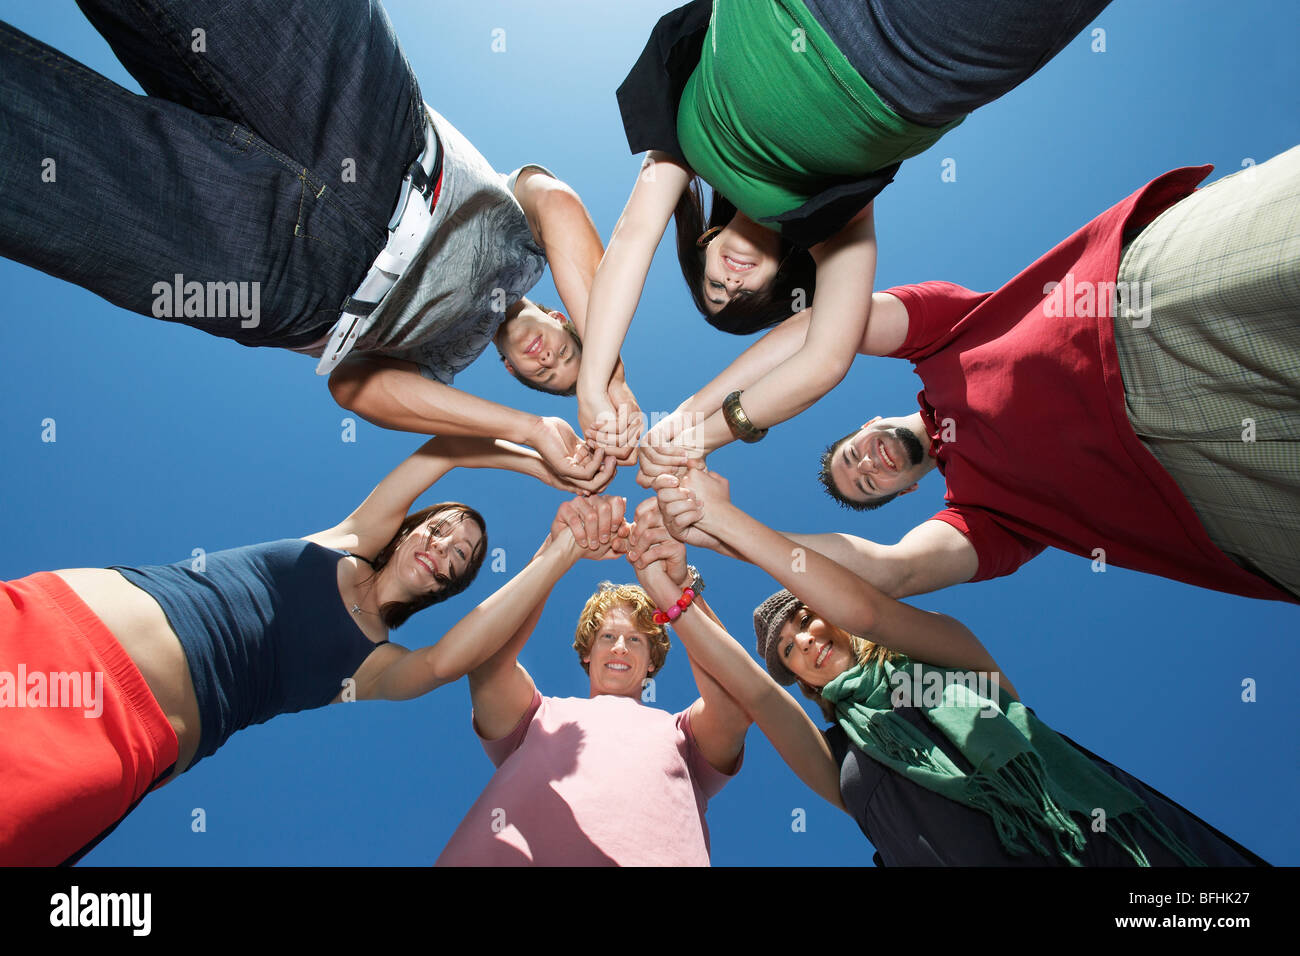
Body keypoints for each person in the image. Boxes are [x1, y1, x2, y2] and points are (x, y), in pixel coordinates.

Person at [0, 1, 629, 491]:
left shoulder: (441, 365)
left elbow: (355, 390)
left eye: (547, 377)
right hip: (375, 132)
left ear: (512, 371)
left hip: (288, 274)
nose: (551, 361)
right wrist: (607, 377)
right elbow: (556, 202)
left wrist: (530, 429)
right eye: (570, 352)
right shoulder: (528, 243)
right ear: (561, 316)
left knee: (47, 165)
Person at [652, 148, 1300, 604]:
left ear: (869, 422)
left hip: (1146, 304)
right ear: (907, 491)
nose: (870, 463)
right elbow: (891, 572)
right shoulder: (985, 516)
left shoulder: (941, 338)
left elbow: (819, 328)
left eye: (854, 455)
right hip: (1218, 492)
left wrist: (687, 422)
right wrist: (718, 527)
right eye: (869, 483)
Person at [0, 435, 604, 866]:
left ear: (451, 584)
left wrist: (562, 549)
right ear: (410, 528)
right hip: (54, 621)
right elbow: (441, 451)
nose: (443, 546)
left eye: (461, 555)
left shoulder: (376, 666)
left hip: (121, 740)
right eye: (440, 528)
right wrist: (541, 462)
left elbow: (448, 660)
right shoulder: (345, 539)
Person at [644, 466, 1268, 865]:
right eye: (788, 651)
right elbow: (758, 696)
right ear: (802, 680)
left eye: (807, 619)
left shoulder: (945, 658)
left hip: (1106, 849)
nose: (804, 641)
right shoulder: (839, 760)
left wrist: (723, 523)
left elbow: (871, 612)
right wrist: (665, 586)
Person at [577, 0, 1111, 463]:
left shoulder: (679, 150)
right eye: (744, 295)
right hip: (922, 56)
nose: (733, 283)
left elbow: (632, 239)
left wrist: (594, 383)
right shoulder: (829, 225)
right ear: (777, 280)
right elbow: (825, 359)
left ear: (704, 243)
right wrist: (695, 435)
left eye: (715, 286)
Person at [435, 496, 748, 866]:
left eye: (636, 640)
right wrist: (556, 551)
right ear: (587, 652)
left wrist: (678, 588)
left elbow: (738, 700)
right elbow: (489, 664)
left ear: (652, 661)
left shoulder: (682, 733)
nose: (620, 647)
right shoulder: (537, 717)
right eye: (608, 637)